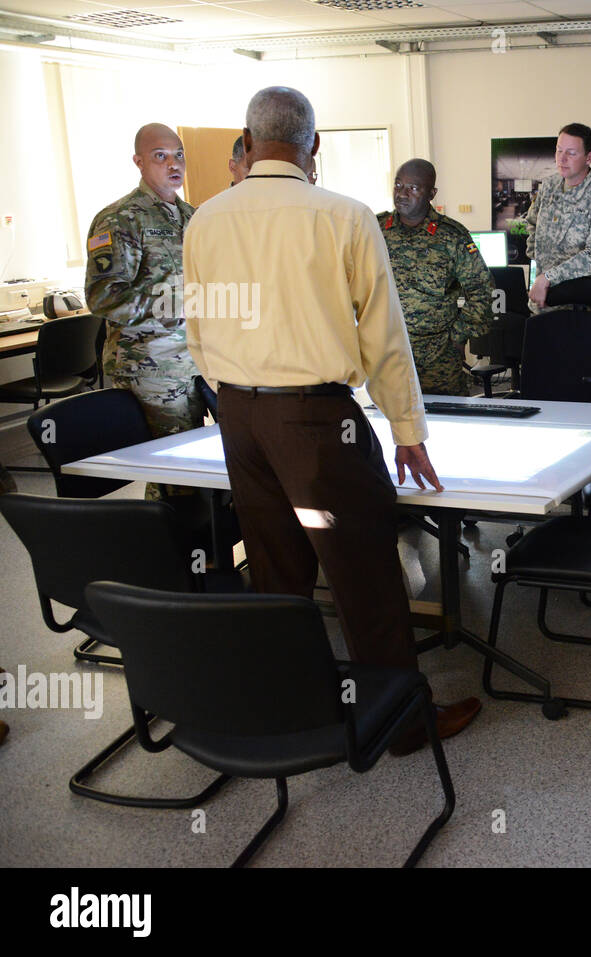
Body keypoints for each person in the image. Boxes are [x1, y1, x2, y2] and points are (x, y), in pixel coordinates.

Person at [184, 87, 479, 750]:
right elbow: (384, 336)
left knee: (275, 569)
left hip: (239, 417)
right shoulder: (343, 217)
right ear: (314, 145)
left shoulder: (205, 219)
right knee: (363, 572)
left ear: (248, 140)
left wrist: (237, 394)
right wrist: (408, 432)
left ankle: (291, 709)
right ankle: (401, 722)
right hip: (317, 425)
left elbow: (195, 329)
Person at [84, 124, 204, 462]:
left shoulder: (190, 215)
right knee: (178, 464)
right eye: (160, 156)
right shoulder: (120, 219)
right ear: (139, 162)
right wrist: (175, 305)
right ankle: (167, 515)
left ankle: (170, 515)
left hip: (192, 361)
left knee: (192, 462)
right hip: (149, 366)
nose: (174, 164)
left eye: (179, 155)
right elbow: (103, 297)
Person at [378, 158, 495, 396]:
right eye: (398, 185)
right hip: (388, 354)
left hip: (438, 357)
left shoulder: (451, 236)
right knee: (390, 427)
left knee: (448, 423)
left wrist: (459, 336)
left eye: (413, 188)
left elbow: (483, 289)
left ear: (432, 193)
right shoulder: (375, 228)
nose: (402, 194)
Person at [525, 123, 591, 321]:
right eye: (559, 151)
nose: (561, 159)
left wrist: (548, 277)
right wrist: (536, 261)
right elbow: (532, 223)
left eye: (571, 153)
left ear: (589, 158)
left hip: (588, 315)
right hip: (546, 307)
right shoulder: (548, 187)